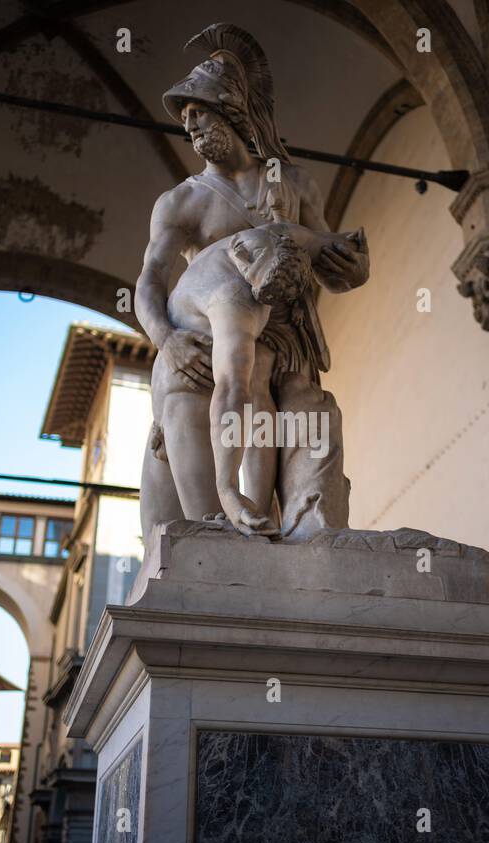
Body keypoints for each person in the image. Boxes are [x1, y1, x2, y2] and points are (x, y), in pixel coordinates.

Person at [135, 22, 369, 541]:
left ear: (233, 112)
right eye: (186, 121)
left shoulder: (293, 184)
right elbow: (150, 280)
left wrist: (348, 263)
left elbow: (336, 266)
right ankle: (231, 521)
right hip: (220, 335)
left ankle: (294, 541)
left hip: (291, 348)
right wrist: (166, 339)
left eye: (201, 115)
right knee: (229, 431)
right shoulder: (183, 202)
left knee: (308, 468)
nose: (192, 130)